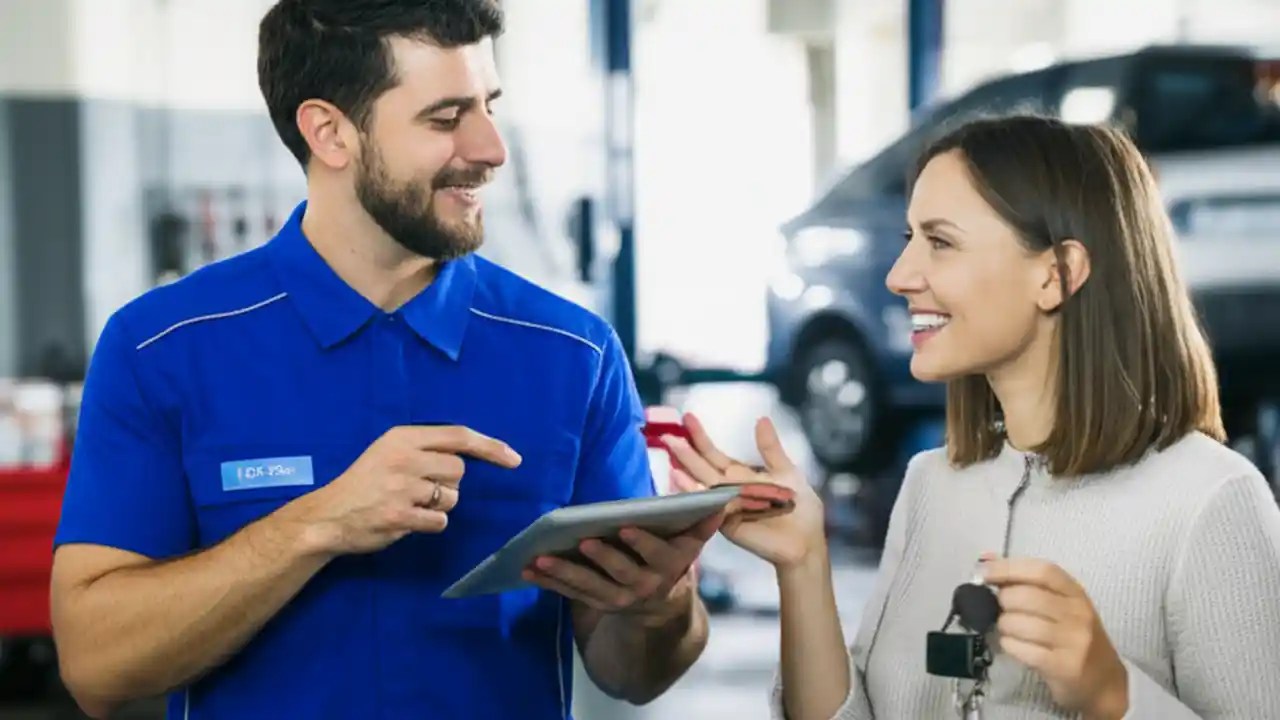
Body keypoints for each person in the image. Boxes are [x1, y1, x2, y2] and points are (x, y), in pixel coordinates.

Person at [49, 2, 715, 718]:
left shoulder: (572, 354)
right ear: (330, 133)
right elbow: (97, 668)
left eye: (489, 105)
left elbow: (635, 675)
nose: (492, 148)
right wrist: (318, 525)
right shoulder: (162, 349)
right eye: (445, 117)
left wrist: (658, 609)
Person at [663, 115, 1280, 719]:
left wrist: (1114, 695)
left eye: (940, 242)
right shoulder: (932, 485)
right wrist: (802, 565)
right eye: (910, 239)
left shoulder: (1212, 500)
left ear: (1056, 274)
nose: (899, 276)